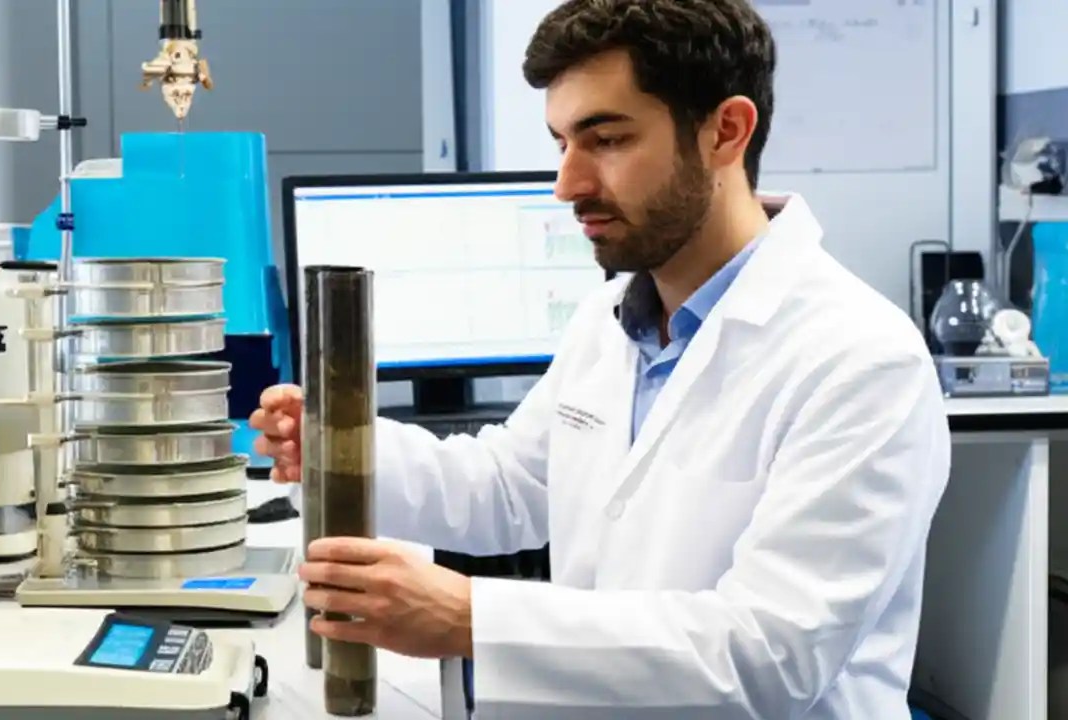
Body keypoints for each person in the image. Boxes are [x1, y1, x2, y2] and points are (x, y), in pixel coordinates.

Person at [250, 0, 951, 716]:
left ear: (726, 132)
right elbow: (511, 486)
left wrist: (470, 617)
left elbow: (769, 656)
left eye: (607, 139)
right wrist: (346, 447)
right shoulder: (611, 317)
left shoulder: (861, 361)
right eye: (561, 143)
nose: (567, 184)